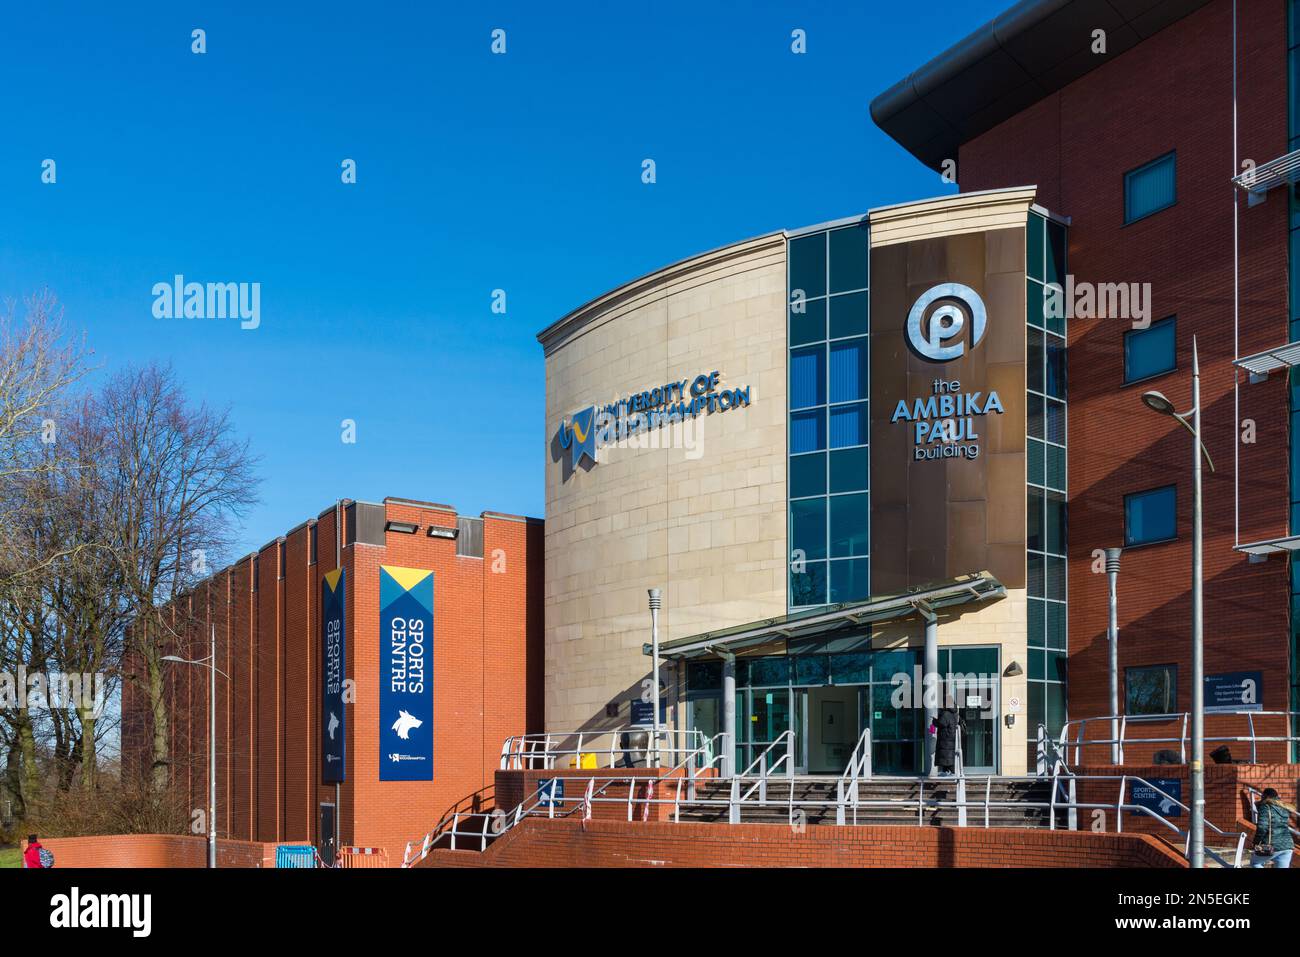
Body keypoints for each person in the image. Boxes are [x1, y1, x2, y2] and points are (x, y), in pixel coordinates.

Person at [1250, 788, 1295, 869]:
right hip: (1288, 845)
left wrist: (1256, 842)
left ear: (1265, 796)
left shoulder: (1266, 807)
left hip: (1273, 845)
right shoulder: (1284, 808)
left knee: (1255, 863)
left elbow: (1262, 827)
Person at [932, 699, 964, 776]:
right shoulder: (953, 713)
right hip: (949, 739)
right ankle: (948, 772)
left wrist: (934, 721)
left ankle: (950, 773)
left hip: (946, 740)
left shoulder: (946, 714)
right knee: (947, 758)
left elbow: (941, 723)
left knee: (946, 758)